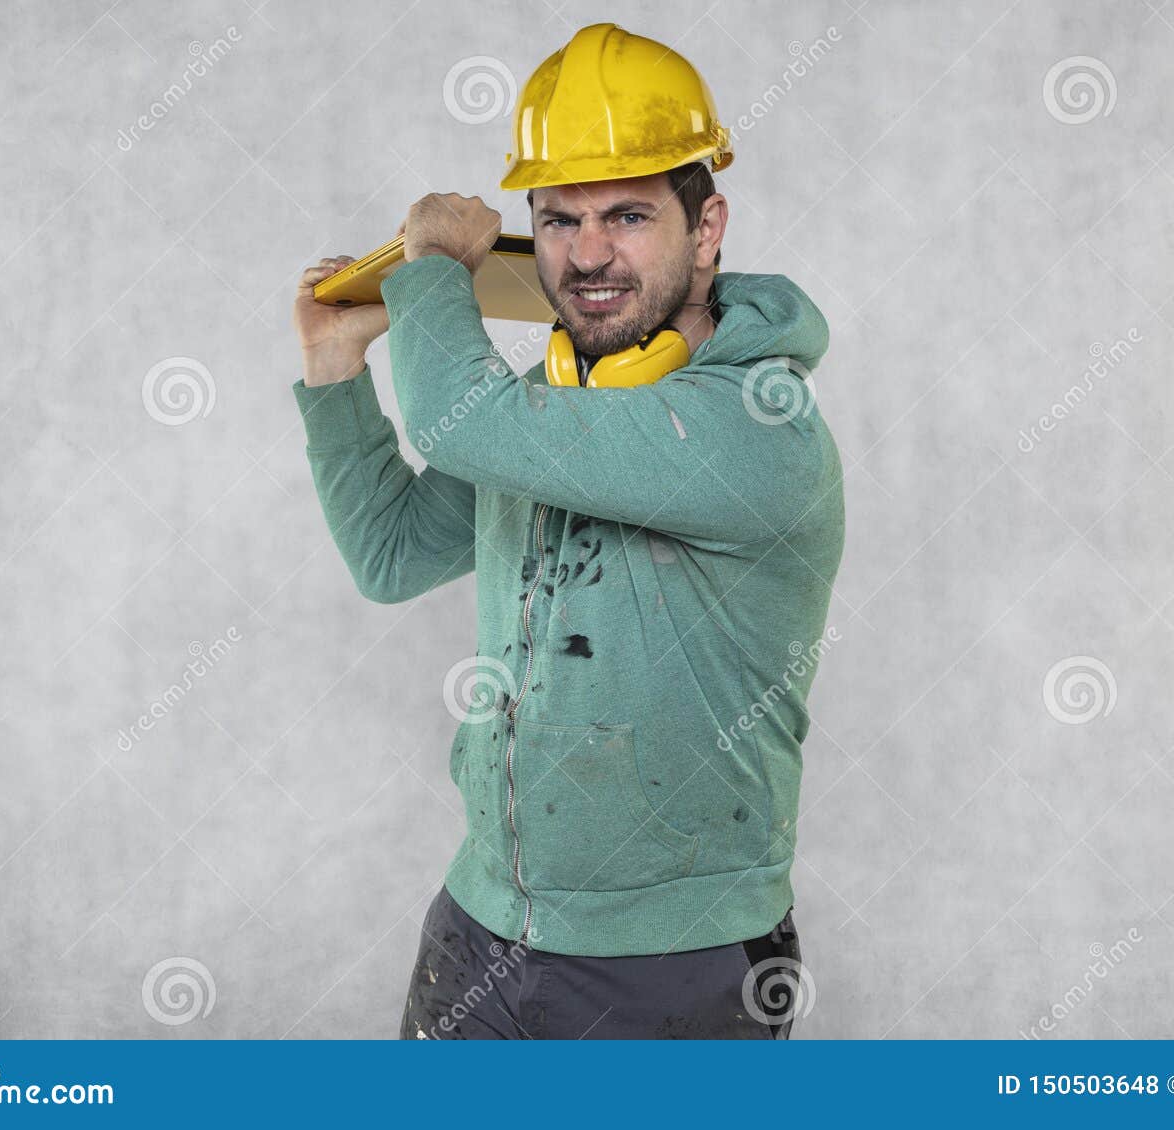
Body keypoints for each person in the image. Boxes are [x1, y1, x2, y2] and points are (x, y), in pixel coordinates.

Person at [289, 23, 842, 1038]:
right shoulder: (557, 414)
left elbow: (461, 420)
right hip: (480, 926)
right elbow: (391, 552)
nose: (587, 255)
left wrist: (433, 265)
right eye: (556, 220)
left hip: (674, 962)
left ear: (707, 228)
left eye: (627, 215)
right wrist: (334, 365)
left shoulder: (757, 425)